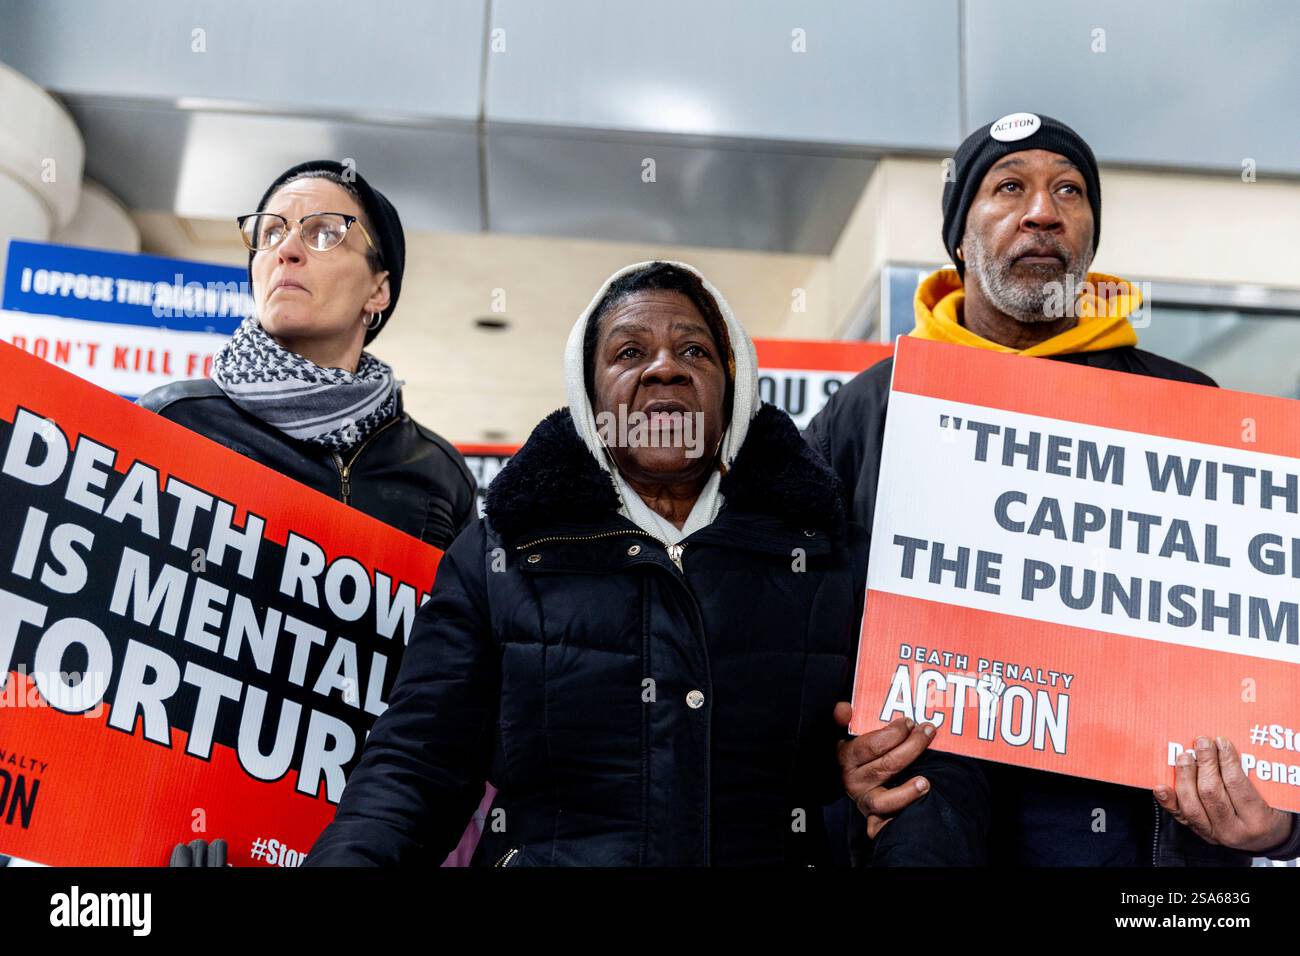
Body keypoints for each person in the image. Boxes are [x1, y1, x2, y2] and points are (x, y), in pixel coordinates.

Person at [304, 260, 935, 866]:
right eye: (629, 353)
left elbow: (885, 754)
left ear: (734, 390)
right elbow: (417, 763)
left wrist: (861, 772)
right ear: (589, 397)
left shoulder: (829, 555)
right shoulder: (500, 556)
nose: (665, 369)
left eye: (695, 351)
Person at [807, 113, 1300, 866]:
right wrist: (833, 766)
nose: (1044, 212)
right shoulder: (869, 410)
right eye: (1010, 187)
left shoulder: (1189, 406)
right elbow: (791, 631)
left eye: (1069, 191)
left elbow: (1262, 638)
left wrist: (1281, 817)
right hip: (933, 829)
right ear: (959, 237)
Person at [137, 160, 477, 865]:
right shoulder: (174, 420)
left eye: (325, 233)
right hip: (171, 829)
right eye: (270, 232)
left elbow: (444, 693)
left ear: (378, 290)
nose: (286, 249)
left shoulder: (438, 477)